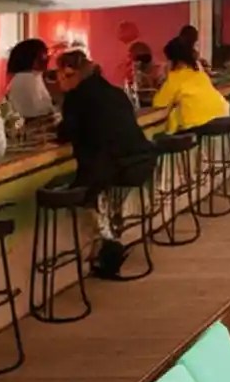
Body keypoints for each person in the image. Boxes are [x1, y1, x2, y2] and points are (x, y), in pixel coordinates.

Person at [55, 50, 155, 276]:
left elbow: (65, 133)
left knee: (83, 193)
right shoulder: (115, 92)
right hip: (140, 162)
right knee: (96, 191)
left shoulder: (76, 98)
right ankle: (110, 236)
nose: (58, 82)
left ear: (70, 74)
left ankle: (105, 244)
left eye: (59, 75)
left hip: (108, 168)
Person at [153, 39, 229, 133]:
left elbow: (159, 103)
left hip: (197, 124)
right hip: (221, 117)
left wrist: (166, 76)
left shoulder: (175, 78)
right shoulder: (200, 75)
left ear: (173, 60)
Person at [5, 38, 54, 119]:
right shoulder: (27, 79)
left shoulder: (32, 77)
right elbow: (36, 111)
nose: (47, 60)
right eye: (43, 56)